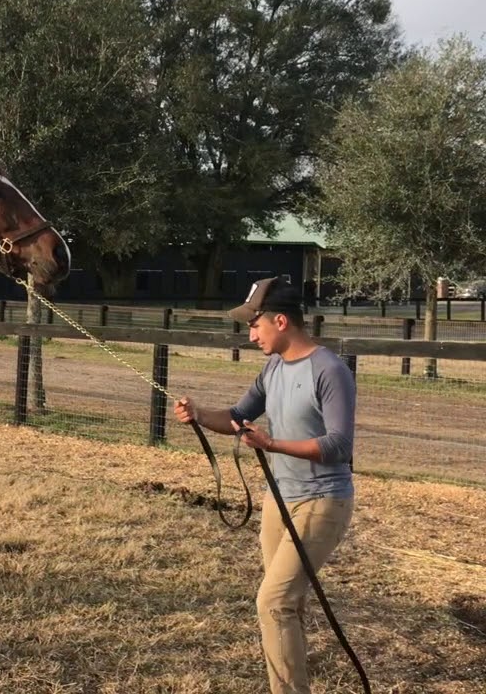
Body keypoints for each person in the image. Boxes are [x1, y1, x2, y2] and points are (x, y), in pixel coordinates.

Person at [173, 276, 357, 694]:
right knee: (286, 604)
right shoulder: (273, 367)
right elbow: (238, 416)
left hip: (322, 501)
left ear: (280, 320)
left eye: (254, 325)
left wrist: (272, 443)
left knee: (273, 602)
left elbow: (339, 445)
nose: (250, 334)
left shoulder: (330, 370)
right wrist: (200, 413)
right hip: (280, 499)